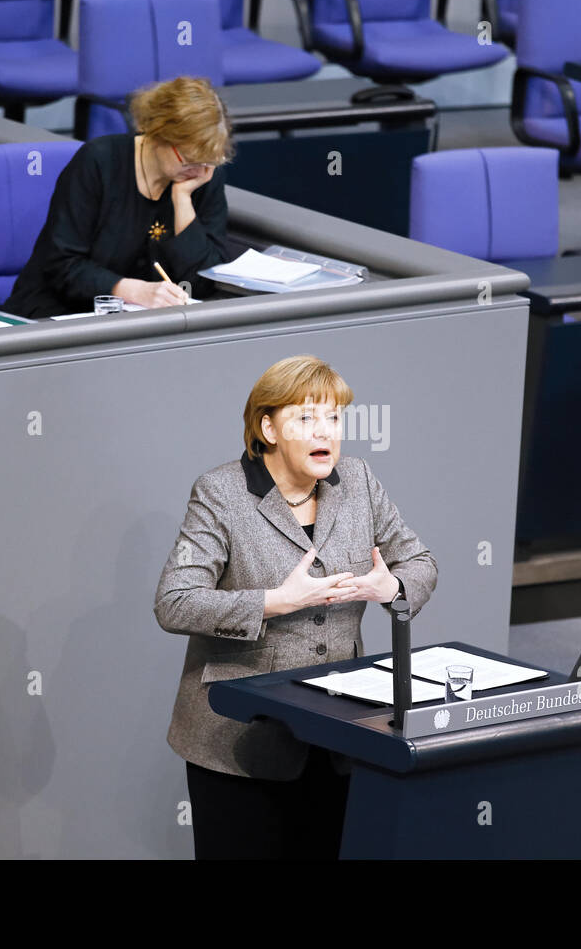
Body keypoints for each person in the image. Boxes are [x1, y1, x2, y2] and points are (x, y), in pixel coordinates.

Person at [153, 355, 438, 860]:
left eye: (333, 417)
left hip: (340, 736)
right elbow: (174, 603)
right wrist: (274, 602)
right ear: (268, 427)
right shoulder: (220, 494)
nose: (324, 430)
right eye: (305, 418)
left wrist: (389, 587)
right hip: (240, 739)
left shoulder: (357, 482)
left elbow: (419, 562)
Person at [3, 77, 231, 317]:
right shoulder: (99, 162)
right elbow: (62, 266)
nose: (200, 171)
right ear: (158, 134)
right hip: (60, 315)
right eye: (189, 159)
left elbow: (205, 282)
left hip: (142, 324)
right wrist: (134, 291)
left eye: (211, 162)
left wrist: (183, 201)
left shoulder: (202, 177)